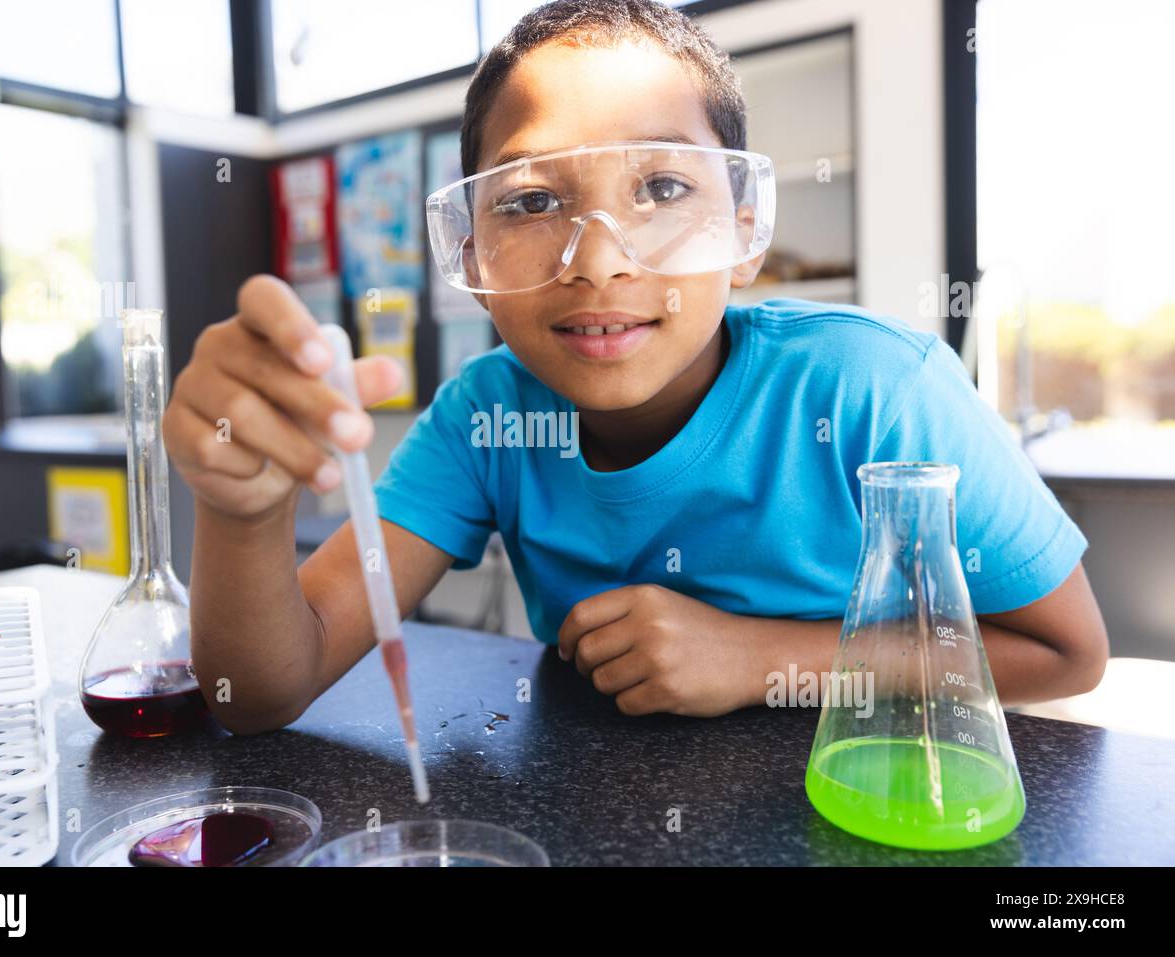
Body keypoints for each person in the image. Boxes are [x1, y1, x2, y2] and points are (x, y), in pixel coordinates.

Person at [162, 0, 1107, 733]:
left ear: (745, 234)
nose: (598, 259)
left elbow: (1062, 651)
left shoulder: (876, 389)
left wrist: (759, 661)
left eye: (661, 187)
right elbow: (258, 695)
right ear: (474, 257)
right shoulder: (483, 419)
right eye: (530, 203)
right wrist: (244, 513)